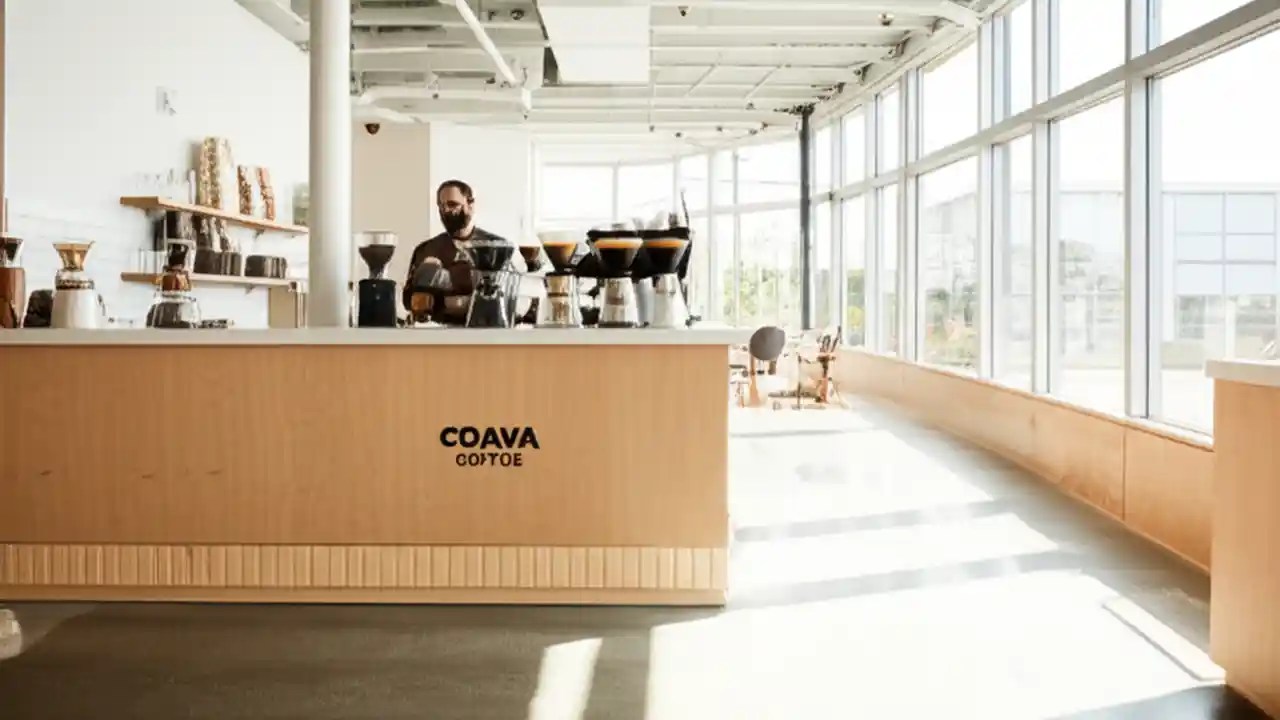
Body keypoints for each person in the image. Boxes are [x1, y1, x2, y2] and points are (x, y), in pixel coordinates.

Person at [402, 179, 527, 325]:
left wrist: (443, 296)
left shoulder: (496, 247)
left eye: (452, 204)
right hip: (438, 337)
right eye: (441, 206)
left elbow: (506, 297)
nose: (446, 211)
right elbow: (409, 300)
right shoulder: (426, 249)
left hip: (487, 333)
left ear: (470, 205)